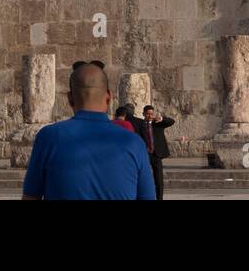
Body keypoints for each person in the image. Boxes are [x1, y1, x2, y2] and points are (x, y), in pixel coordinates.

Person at [21, 62, 155, 200]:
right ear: (108, 97)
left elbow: (30, 196)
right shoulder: (134, 143)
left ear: (70, 97)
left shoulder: (49, 138)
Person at [136, 105, 175, 200]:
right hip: (145, 155)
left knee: (159, 180)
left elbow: (171, 121)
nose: (150, 116)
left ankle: (159, 198)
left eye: (151, 114)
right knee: (143, 177)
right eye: (148, 114)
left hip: (156, 154)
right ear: (143, 114)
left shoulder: (157, 123)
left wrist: (161, 119)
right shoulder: (140, 125)